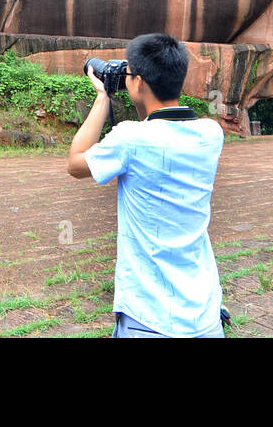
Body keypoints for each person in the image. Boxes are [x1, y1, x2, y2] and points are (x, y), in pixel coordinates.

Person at [66, 34, 224, 338]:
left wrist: (102, 97)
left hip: (148, 320)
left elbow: (75, 163)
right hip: (205, 317)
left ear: (138, 83)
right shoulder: (211, 133)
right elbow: (160, 128)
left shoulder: (129, 139)